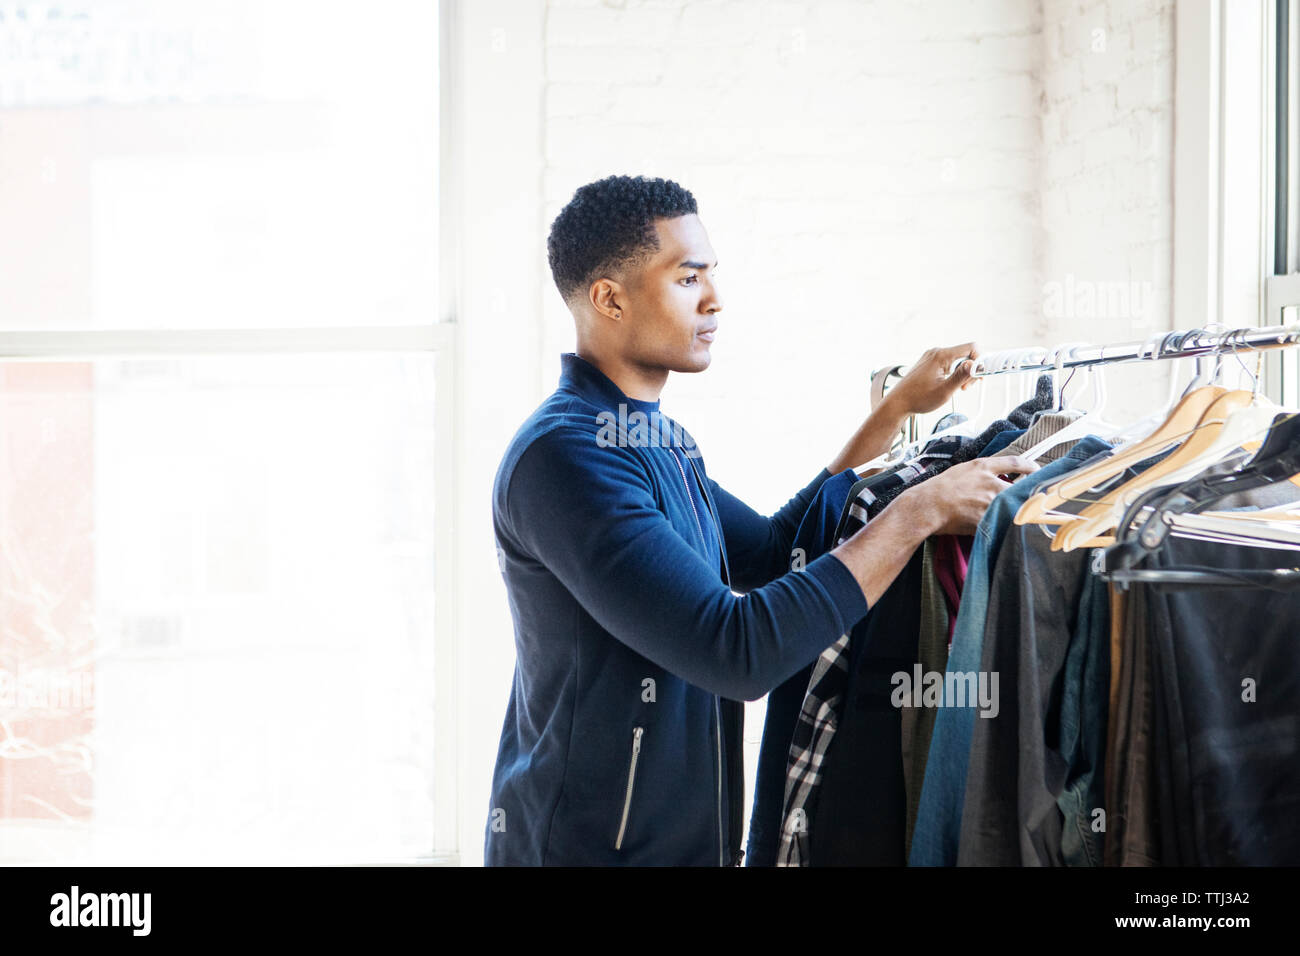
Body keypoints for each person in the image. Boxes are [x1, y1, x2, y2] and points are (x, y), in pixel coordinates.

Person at [484, 174, 1035, 865]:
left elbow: (778, 553)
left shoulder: (652, 441)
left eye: (711, 275)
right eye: (688, 280)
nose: (715, 301)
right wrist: (917, 511)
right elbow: (737, 652)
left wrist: (892, 416)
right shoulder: (565, 460)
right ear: (609, 298)